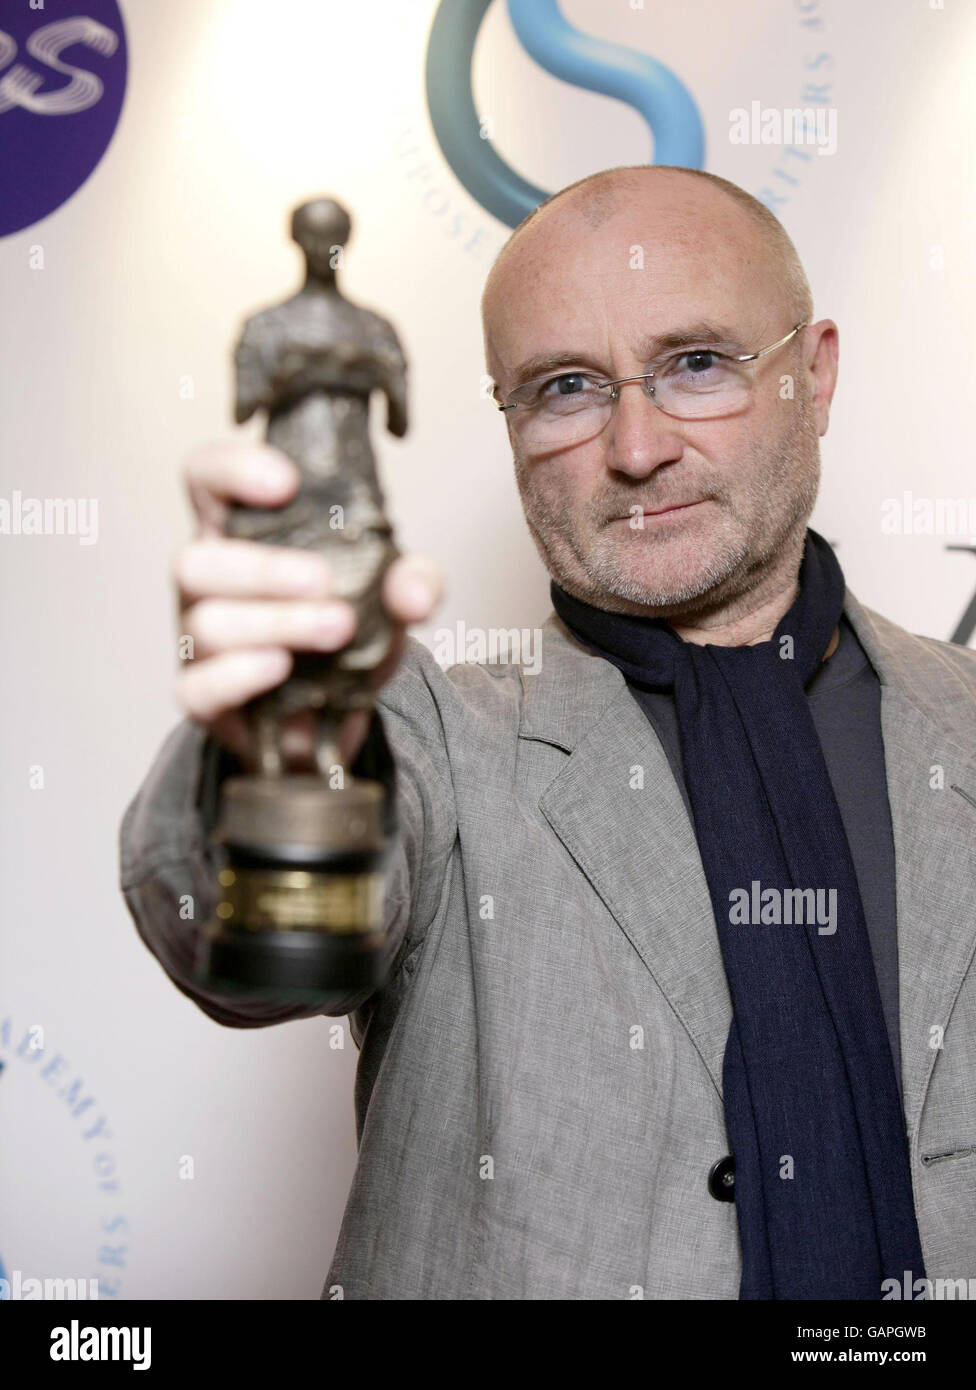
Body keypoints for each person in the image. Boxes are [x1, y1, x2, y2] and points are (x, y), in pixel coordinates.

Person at [119, 165, 976, 1300]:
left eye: (697, 364)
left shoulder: (961, 726)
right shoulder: (425, 732)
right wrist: (278, 734)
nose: (634, 446)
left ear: (812, 378)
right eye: (565, 387)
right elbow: (267, 947)